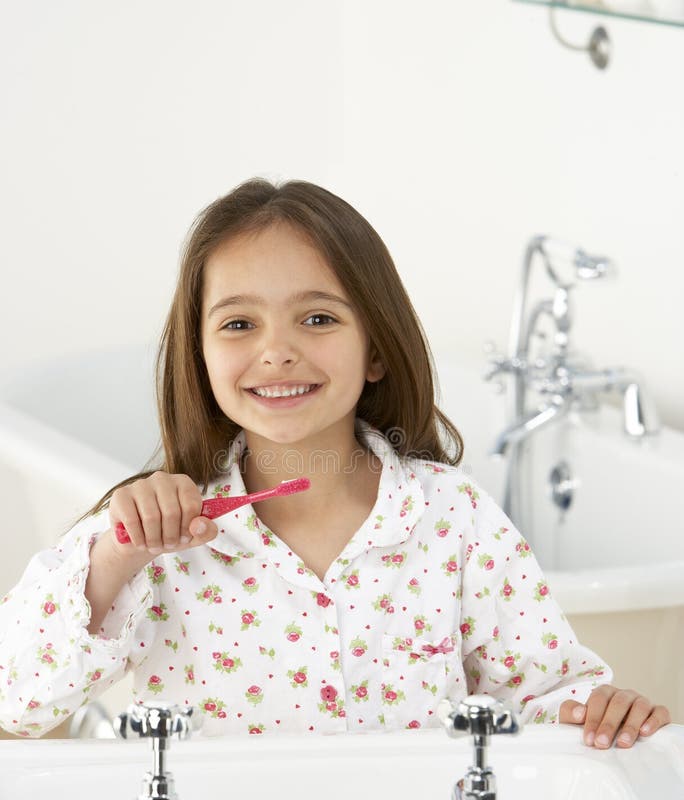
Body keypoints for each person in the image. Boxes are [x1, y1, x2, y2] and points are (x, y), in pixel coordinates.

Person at [0, 178, 670, 746]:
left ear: (375, 350)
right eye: (239, 324)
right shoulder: (152, 540)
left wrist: (599, 715)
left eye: (317, 319)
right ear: (200, 361)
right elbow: (18, 704)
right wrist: (115, 561)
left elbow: (546, 697)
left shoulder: (453, 517)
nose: (278, 350)